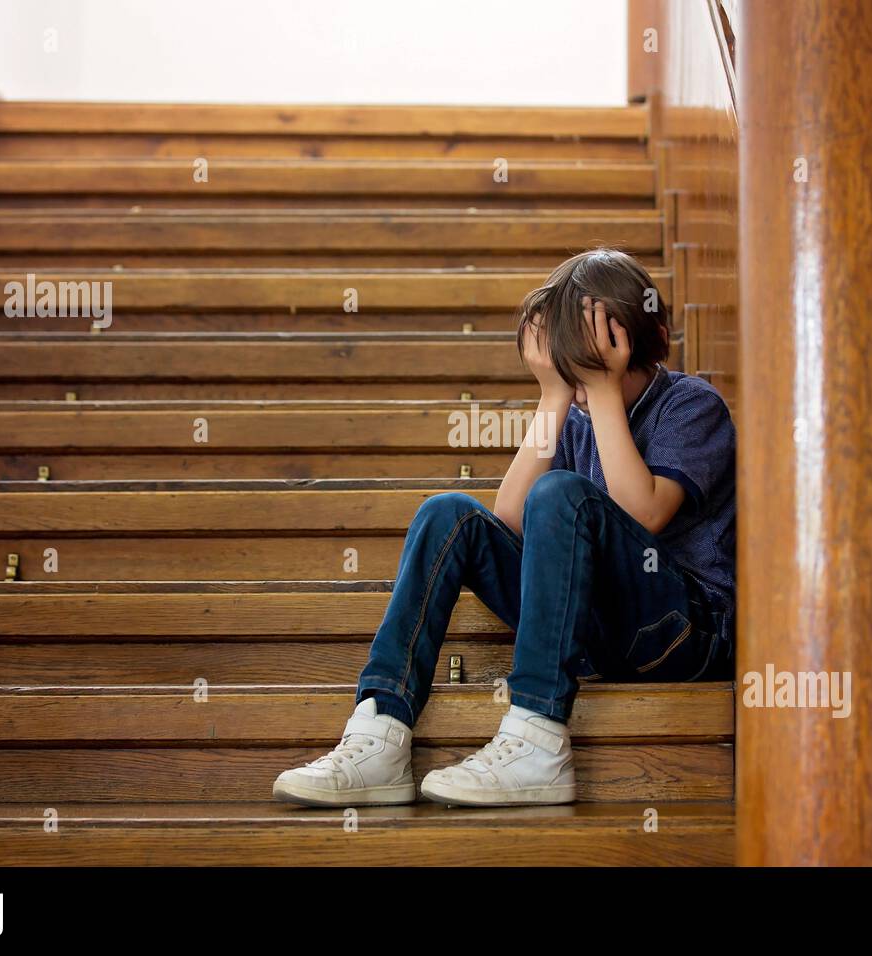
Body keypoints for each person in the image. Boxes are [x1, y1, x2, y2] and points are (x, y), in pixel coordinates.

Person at [273, 248, 736, 807]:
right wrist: (554, 396)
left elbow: (643, 513)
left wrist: (605, 390)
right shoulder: (578, 415)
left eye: (593, 376)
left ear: (642, 343)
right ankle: (381, 729)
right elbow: (511, 517)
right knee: (448, 513)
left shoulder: (690, 404)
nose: (585, 396)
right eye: (574, 378)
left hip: (681, 631)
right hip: (597, 634)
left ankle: (538, 736)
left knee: (561, 492)